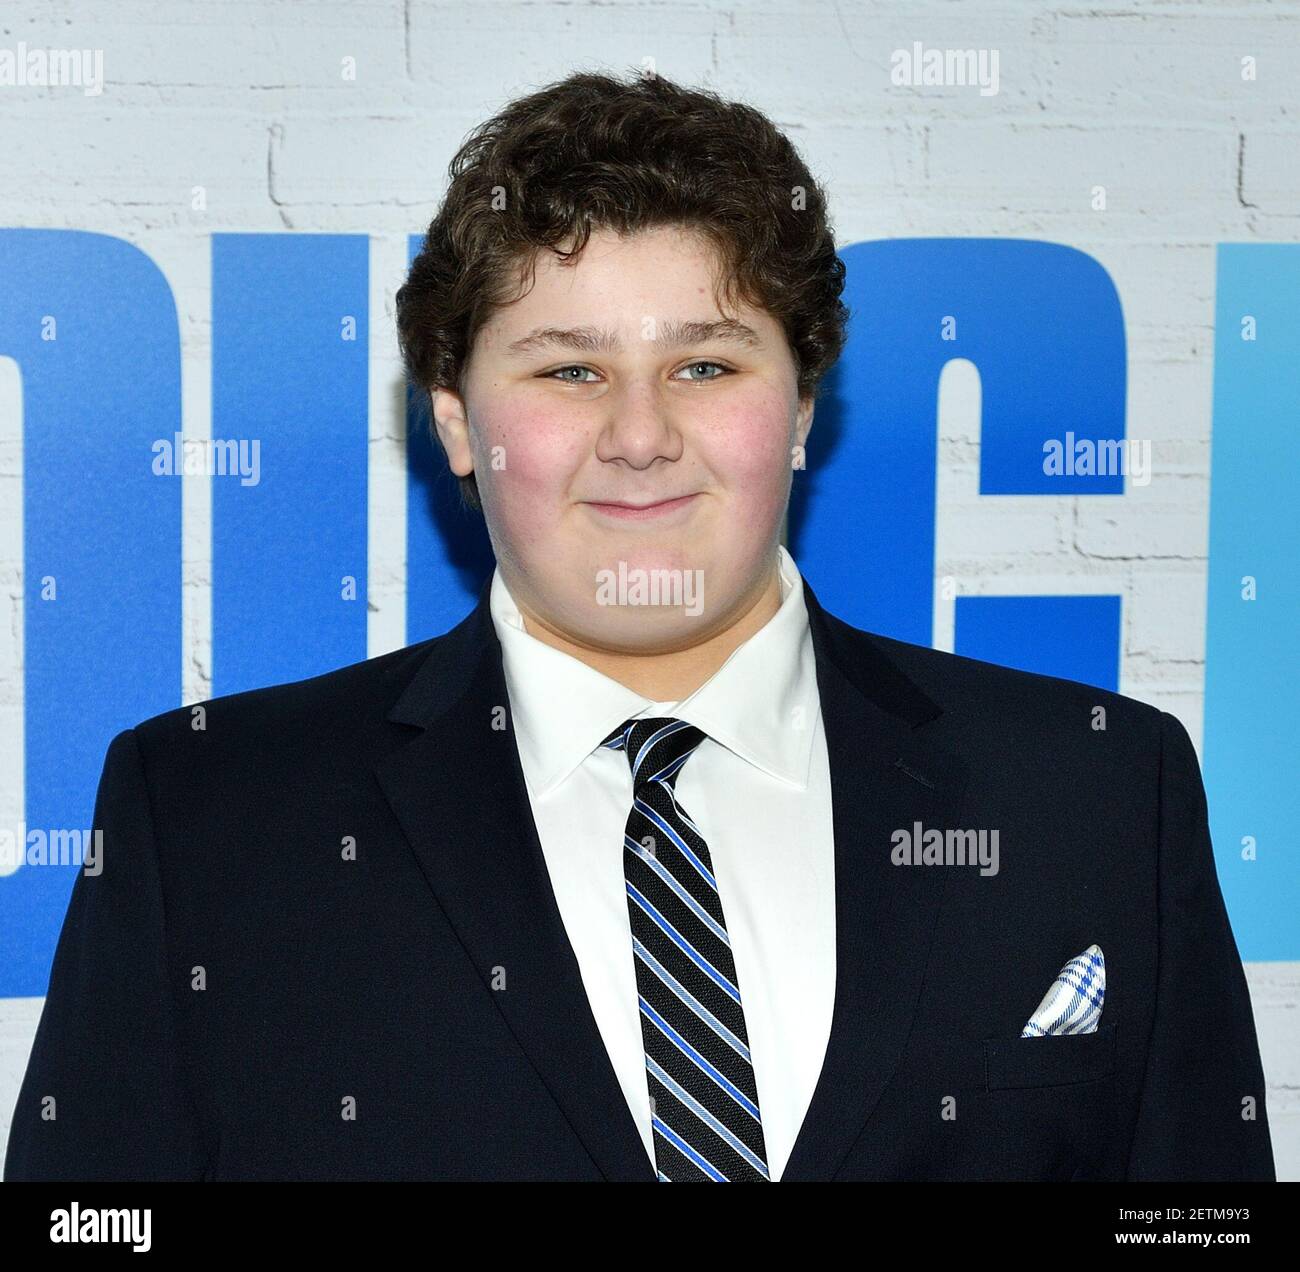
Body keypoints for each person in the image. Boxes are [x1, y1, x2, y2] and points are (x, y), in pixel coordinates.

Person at [4, 69, 1274, 1182]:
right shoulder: (211, 815)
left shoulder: (1097, 788)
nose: (640, 435)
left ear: (801, 402)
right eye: (568, 369)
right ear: (454, 418)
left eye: (706, 365)